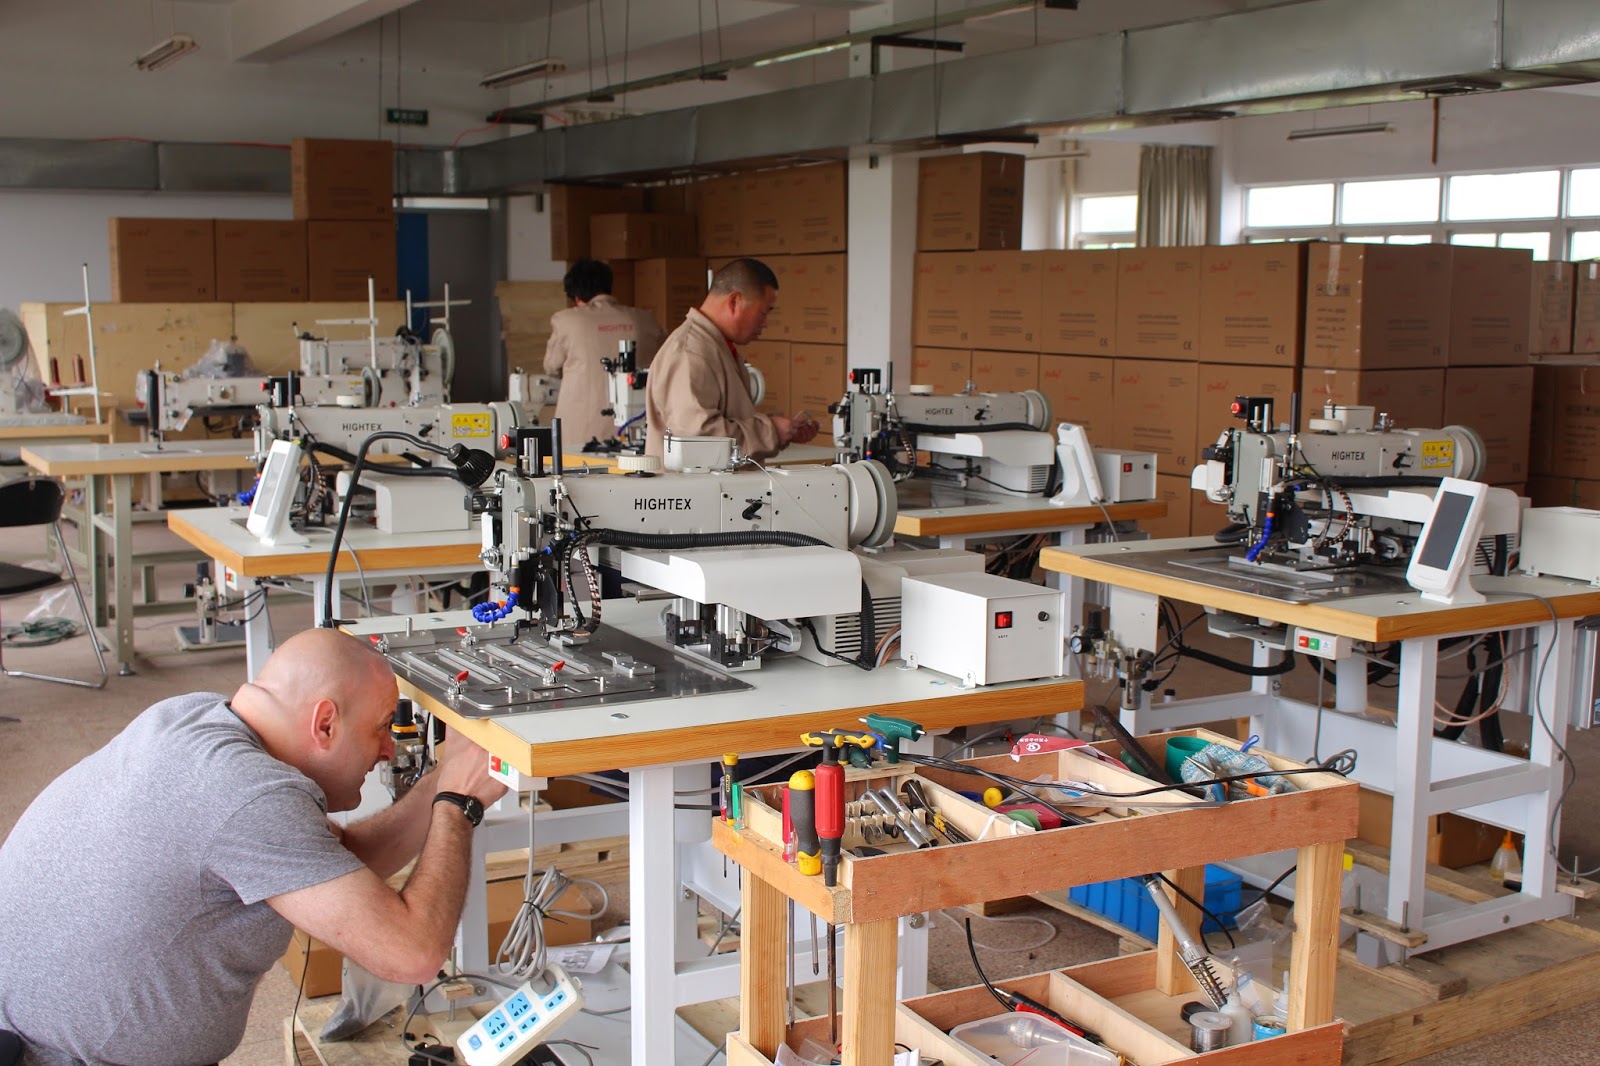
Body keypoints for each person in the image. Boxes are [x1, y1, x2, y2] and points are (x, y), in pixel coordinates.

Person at [0, 629, 507, 1066]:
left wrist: (446, 777)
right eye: (380, 727)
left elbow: (334, 863)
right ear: (325, 723)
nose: (388, 750)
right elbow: (414, 956)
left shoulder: (192, 718)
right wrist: (456, 805)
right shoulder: (248, 795)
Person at [644, 257, 818, 462]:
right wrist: (769, 432)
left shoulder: (715, 347)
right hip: (695, 484)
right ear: (734, 301)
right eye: (764, 312)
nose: (765, 323)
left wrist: (781, 431)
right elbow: (699, 440)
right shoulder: (690, 353)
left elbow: (724, 423)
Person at [544, 258, 666, 449]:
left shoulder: (566, 320)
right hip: (638, 429)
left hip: (580, 433)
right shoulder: (645, 319)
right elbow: (665, 362)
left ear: (577, 297)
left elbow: (551, 367)